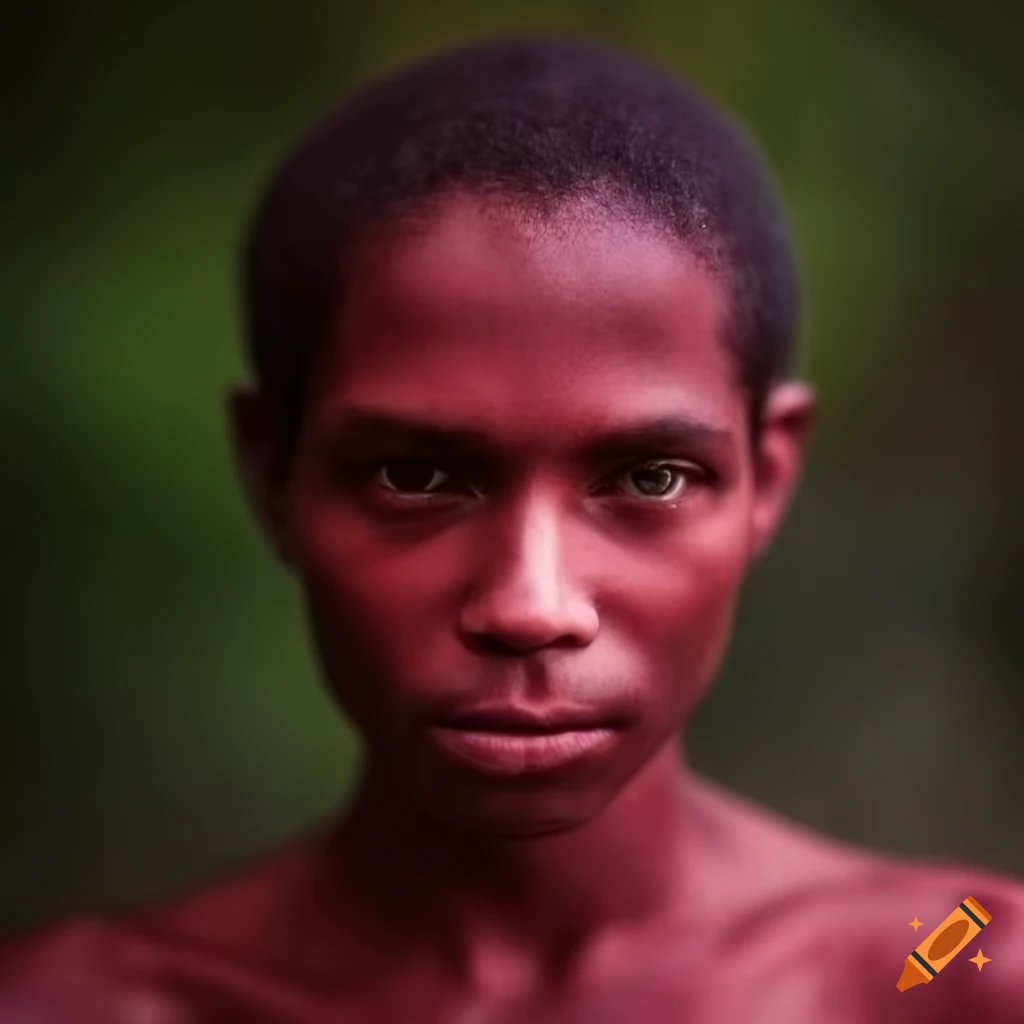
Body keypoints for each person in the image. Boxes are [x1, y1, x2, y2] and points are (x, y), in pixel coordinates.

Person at [2, 34, 1022, 1024]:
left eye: (651, 478)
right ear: (272, 473)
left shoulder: (950, 967)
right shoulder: (71, 1006)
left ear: (768, 476)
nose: (530, 604)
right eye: (413, 476)